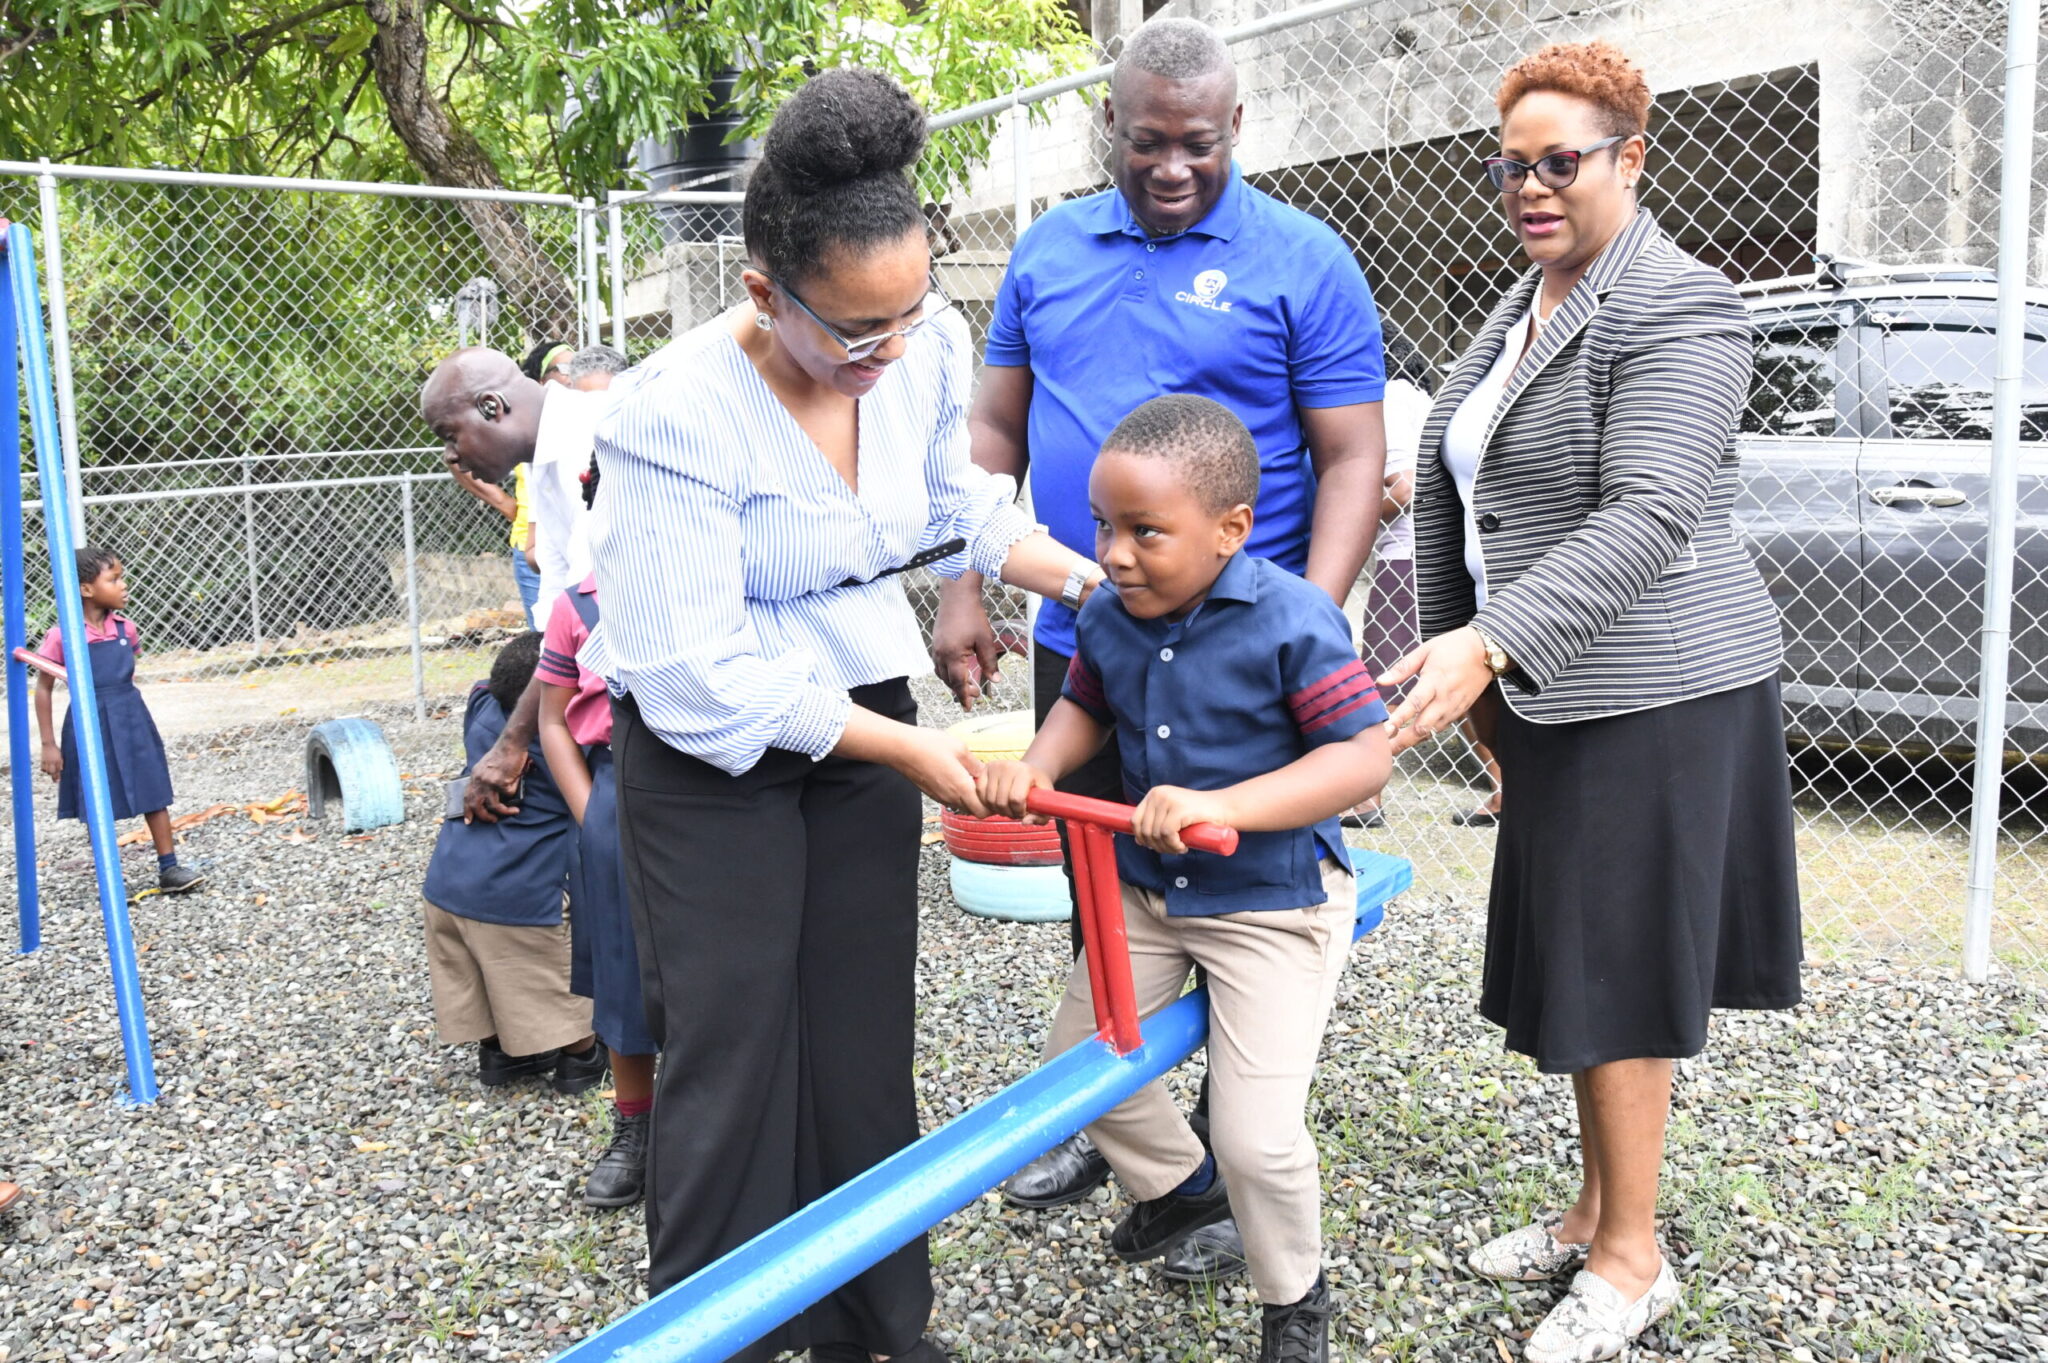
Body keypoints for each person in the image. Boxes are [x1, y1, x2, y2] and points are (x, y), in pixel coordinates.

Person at [580, 68, 1106, 1362]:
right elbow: (702, 675)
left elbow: (956, 507)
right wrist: (920, 750)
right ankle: (721, 1335)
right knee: (734, 1054)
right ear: (763, 290)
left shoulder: (917, 343)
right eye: (853, 332)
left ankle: (878, 1325)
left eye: (910, 315)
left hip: (861, 712)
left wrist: (1086, 572)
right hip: (712, 760)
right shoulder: (670, 412)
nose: (889, 351)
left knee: (864, 1043)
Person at [935, 14, 1391, 1279]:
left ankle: (1230, 1121)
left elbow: (1352, 454)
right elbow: (991, 430)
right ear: (1111, 132)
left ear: (1235, 129)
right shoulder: (1048, 248)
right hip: (1086, 627)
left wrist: (1302, 614)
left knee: (1246, 861)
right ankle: (1134, 1126)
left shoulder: (1303, 257)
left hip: (1248, 644)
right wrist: (967, 582)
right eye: (1145, 143)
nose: (1171, 165)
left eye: (1196, 143)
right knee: (1105, 873)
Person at [1380, 40, 1802, 1362]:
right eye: (1511, 164)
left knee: (1617, 969)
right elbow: (1463, 489)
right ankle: (1591, 1209)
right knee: (1581, 952)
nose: (1529, 185)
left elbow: (1655, 509)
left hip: (1660, 690)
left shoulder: (1679, 304)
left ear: (1631, 156)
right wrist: (1481, 678)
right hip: (1553, 691)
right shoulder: (1527, 305)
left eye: (1560, 161)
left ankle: (1633, 1258)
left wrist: (1487, 647)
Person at [980, 395, 1392, 1363]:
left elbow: (1360, 759)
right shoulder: (1110, 617)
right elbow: (1086, 701)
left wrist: (1228, 808)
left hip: (1268, 904)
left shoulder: (1290, 620)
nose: (1115, 554)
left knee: (1258, 1135)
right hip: (1149, 892)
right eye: (1102, 527)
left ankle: (1291, 1295)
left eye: (1144, 532)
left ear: (1229, 529)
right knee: (1080, 1079)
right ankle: (1179, 1190)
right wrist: (1035, 770)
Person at [422, 346, 609, 816]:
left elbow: (592, 610)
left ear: (491, 406)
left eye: (449, 435)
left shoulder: (596, 437)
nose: (451, 456)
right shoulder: (543, 456)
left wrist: (511, 743)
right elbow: (557, 608)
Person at [420, 632, 607, 1093]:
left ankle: (502, 1054)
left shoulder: (483, 711)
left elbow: (486, 686)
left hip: (446, 885)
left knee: (474, 976)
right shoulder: (564, 742)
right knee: (550, 978)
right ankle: (580, 1060)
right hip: (521, 894)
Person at [535, 568, 655, 1208]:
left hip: (711, 783)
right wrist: (592, 814)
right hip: (613, 787)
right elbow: (552, 719)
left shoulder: (709, 580)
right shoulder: (577, 605)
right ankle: (636, 1125)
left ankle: (711, 1122)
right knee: (624, 969)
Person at [34, 547, 202, 894]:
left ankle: (169, 868)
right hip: (87, 720)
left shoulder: (126, 628)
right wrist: (49, 744)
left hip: (131, 715)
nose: (124, 585)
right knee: (98, 795)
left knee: (153, 789)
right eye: (114, 579)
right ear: (86, 589)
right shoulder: (62, 635)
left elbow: (125, 673)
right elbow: (43, 689)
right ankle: (110, 878)